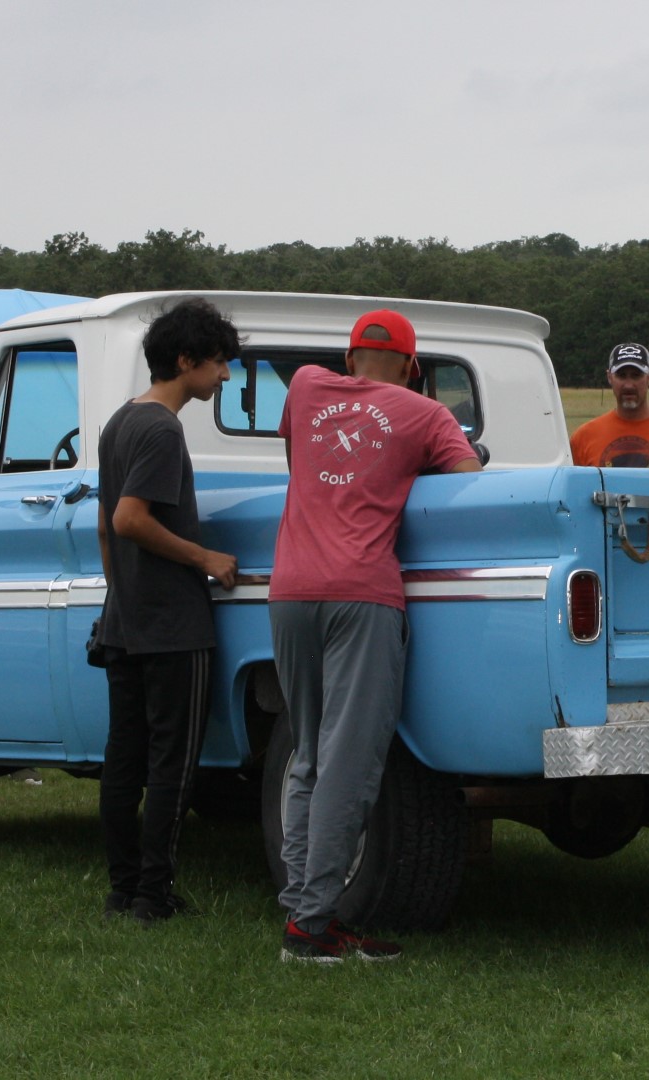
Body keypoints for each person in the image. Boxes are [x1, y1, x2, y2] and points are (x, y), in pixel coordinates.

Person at [270, 309, 482, 964]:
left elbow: (297, 458)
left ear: (348, 356)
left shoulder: (305, 387)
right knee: (351, 761)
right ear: (415, 369)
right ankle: (312, 929)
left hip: (289, 590)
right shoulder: (425, 415)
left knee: (306, 753)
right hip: (363, 590)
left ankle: (302, 906)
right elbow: (467, 483)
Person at [94, 298, 241, 926]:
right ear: (186, 362)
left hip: (126, 622)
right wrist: (204, 556)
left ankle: (123, 888)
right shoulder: (161, 428)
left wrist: (120, 597)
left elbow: (105, 528)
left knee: (123, 759)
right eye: (218, 365)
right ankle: (155, 895)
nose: (225, 377)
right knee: (172, 765)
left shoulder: (119, 422)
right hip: (172, 627)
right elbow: (131, 519)